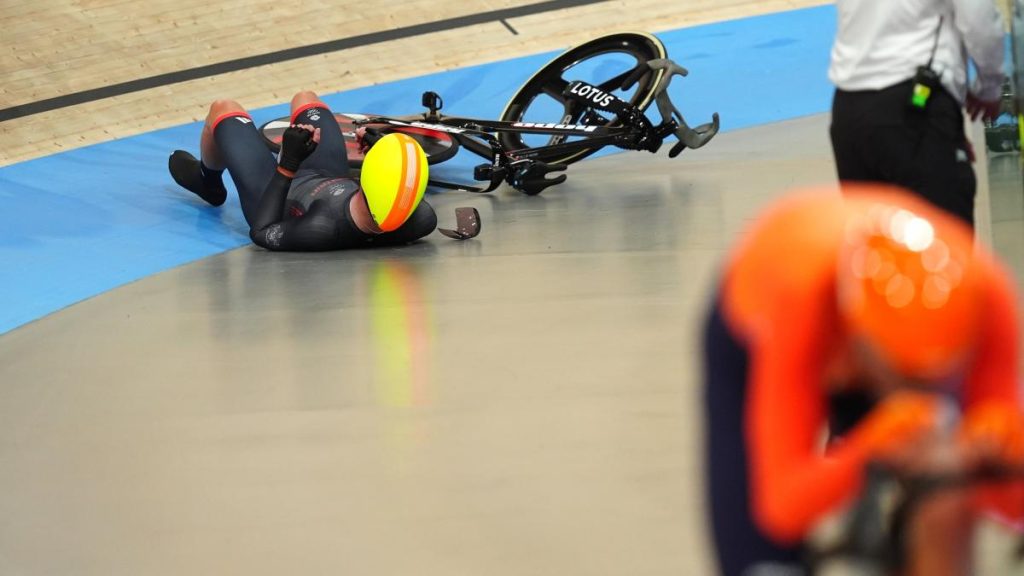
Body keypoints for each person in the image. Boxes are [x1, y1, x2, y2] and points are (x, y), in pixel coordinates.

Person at [702, 184, 1024, 576]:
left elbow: (1012, 510)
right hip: (761, 318)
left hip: (859, 322)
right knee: (761, 561)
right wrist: (867, 450)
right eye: (902, 374)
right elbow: (779, 509)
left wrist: (999, 457)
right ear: (857, 345)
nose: (918, 392)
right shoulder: (800, 307)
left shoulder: (990, 298)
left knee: (945, 491)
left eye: (937, 377)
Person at [168, 90, 437, 251]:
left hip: (271, 195)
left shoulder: (322, 227)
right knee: (305, 99)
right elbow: (404, 184)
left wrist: (288, 165)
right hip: (326, 177)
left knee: (223, 108)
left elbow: (262, 232)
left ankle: (209, 182)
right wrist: (381, 151)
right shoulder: (421, 218)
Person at [828, 0, 1006, 226]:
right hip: (915, 102)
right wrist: (989, 87)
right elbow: (979, 20)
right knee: (944, 248)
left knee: (872, 249)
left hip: (850, 111)